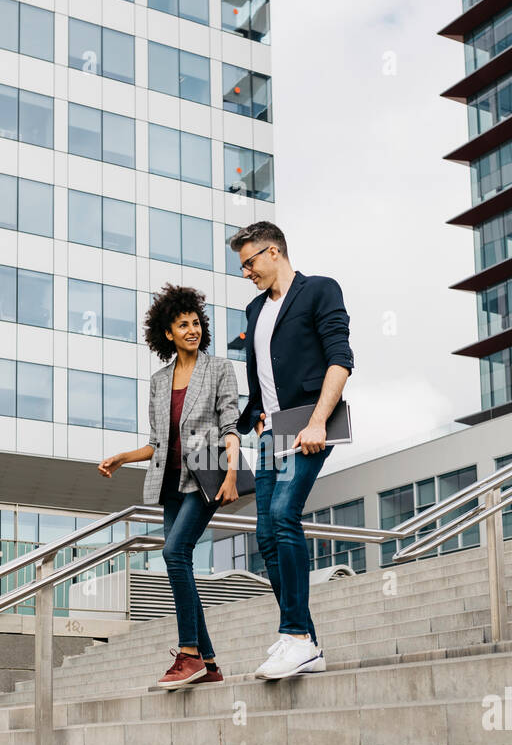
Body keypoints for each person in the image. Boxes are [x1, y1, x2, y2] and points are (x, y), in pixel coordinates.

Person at [99, 284, 240, 690]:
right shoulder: (159, 381)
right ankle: (209, 664)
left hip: (208, 473)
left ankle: (189, 654)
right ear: (168, 333)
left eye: (196, 323)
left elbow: (230, 427)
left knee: (174, 551)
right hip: (170, 481)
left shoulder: (219, 370)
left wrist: (231, 473)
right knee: (181, 563)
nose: (192, 330)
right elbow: (159, 442)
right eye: (183, 324)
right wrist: (122, 457)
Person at [231, 222, 354, 680]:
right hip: (271, 432)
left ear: (274, 251)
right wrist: (257, 415)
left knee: (284, 514)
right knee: (265, 536)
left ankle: (298, 638)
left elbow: (340, 358)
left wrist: (318, 420)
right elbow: (261, 372)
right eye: (242, 266)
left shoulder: (320, 290)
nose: (246, 272)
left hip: (312, 422)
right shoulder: (253, 310)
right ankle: (303, 641)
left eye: (250, 262)